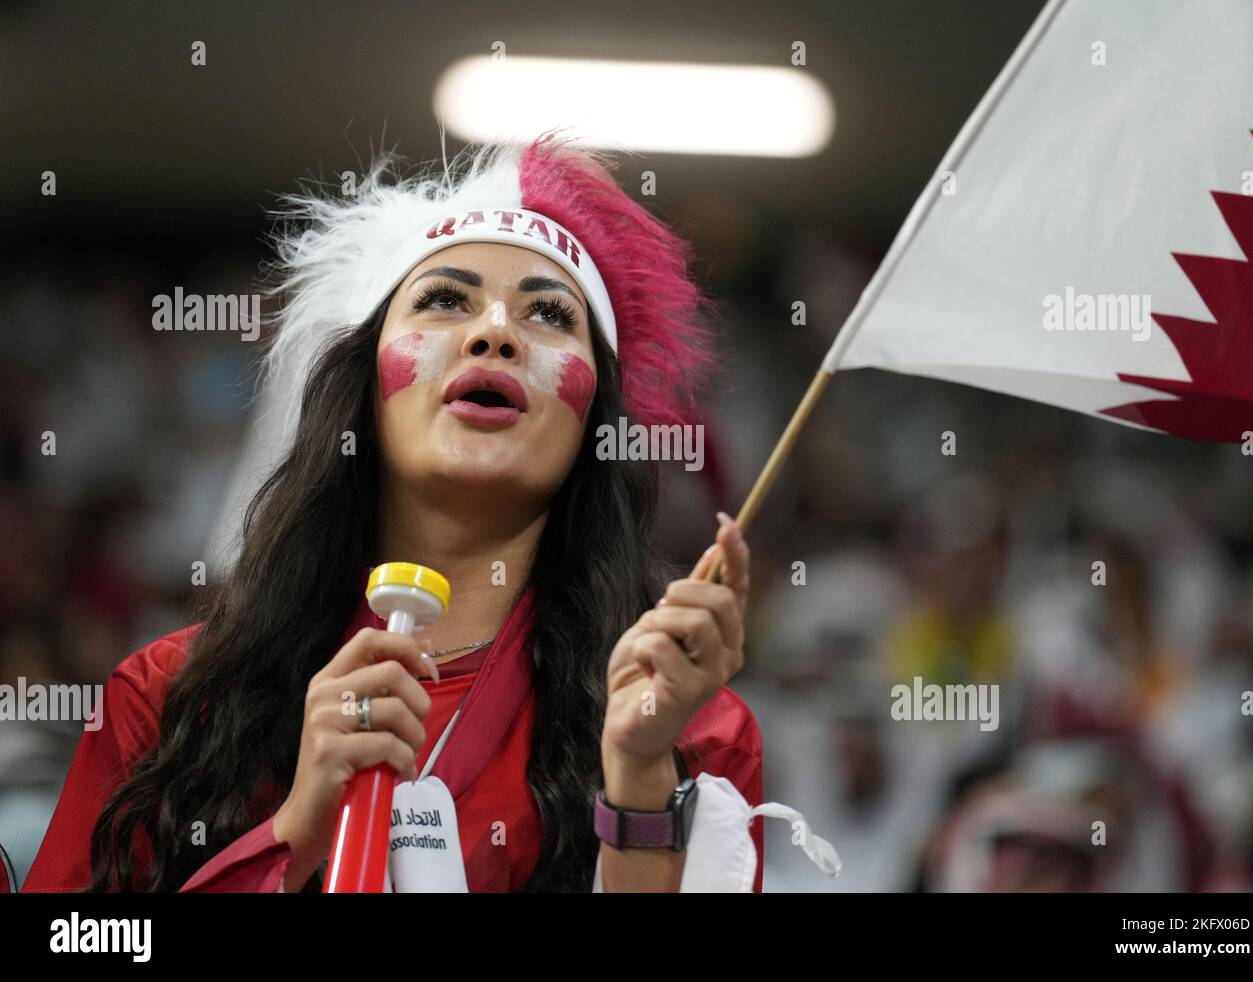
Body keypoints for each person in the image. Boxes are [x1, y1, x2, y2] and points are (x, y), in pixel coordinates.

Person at [22, 131, 765, 893]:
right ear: (361, 390)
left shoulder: (688, 722)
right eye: (445, 300)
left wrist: (640, 783)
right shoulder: (167, 696)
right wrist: (292, 837)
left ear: (592, 425)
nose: (495, 333)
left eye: (549, 317)